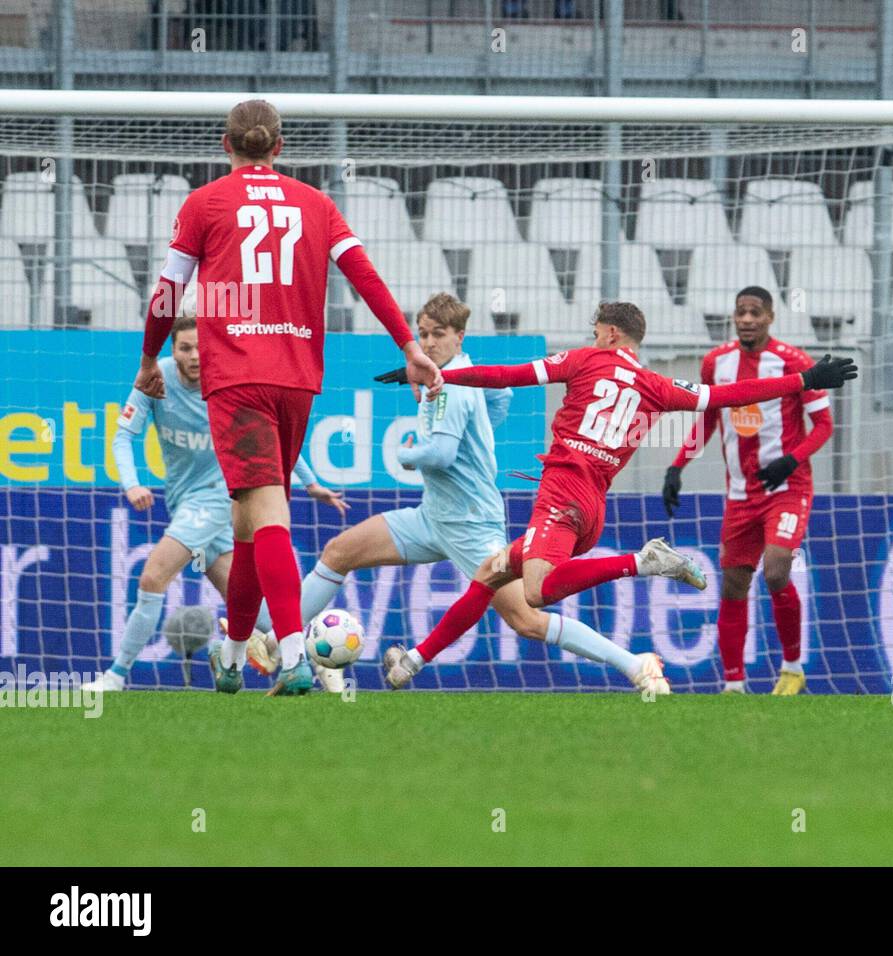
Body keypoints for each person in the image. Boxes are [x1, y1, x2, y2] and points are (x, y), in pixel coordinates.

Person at [379, 301, 858, 689]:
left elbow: (508, 376)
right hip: (592, 506)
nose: (592, 340)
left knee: (535, 591)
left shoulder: (585, 360)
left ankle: (642, 562)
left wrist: (439, 374)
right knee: (490, 574)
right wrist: (805, 380)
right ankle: (413, 664)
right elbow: (730, 395)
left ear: (609, 334)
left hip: (562, 496)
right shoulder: (659, 386)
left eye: (595, 333)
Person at [133, 97, 442, 697]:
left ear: (225, 146)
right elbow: (365, 275)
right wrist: (408, 344)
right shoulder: (317, 204)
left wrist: (149, 359)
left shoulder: (205, 203)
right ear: (280, 147)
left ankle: (295, 655)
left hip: (239, 379)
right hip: (298, 378)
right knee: (247, 520)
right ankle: (229, 656)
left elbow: (169, 291)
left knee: (267, 513)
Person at [250, 293, 669, 693]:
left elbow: (443, 454)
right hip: (434, 516)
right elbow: (501, 400)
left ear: (458, 337)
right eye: (423, 334)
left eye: (438, 334)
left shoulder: (451, 389)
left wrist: (406, 454)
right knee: (339, 552)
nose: (428, 342)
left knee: (526, 619)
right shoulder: (453, 378)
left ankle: (636, 665)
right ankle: (274, 645)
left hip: (470, 522)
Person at [84, 310, 345, 691]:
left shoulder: (230, 380)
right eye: (184, 348)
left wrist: (310, 483)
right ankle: (319, 660)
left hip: (221, 498)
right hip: (187, 503)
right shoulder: (157, 379)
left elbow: (266, 440)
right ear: (172, 351)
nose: (194, 356)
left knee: (153, 576)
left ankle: (115, 676)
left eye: (200, 347)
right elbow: (123, 437)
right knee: (257, 614)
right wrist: (131, 483)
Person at [662, 287, 833, 694]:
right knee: (734, 584)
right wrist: (677, 465)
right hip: (740, 494)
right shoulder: (715, 364)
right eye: (741, 312)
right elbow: (707, 421)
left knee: (776, 570)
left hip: (788, 488)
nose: (747, 319)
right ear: (734, 317)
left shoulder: (794, 363)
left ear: (770, 317)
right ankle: (734, 684)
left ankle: (792, 668)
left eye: (755, 312)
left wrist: (791, 460)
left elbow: (824, 426)